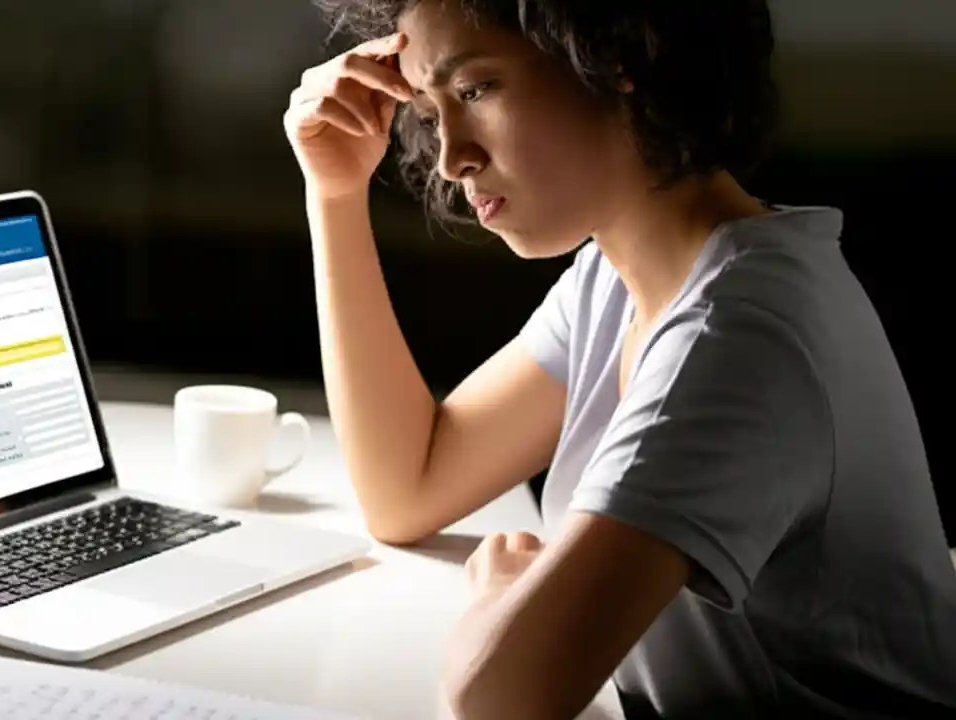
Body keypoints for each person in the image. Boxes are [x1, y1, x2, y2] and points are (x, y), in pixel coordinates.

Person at [281, 1, 956, 717]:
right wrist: (334, 190)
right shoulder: (622, 278)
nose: (451, 158)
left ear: (618, 58)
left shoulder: (739, 333)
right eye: (427, 109)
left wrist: (502, 595)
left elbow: (499, 696)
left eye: (475, 90)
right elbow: (407, 486)